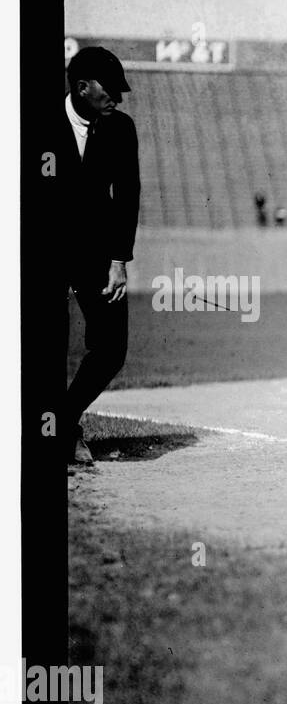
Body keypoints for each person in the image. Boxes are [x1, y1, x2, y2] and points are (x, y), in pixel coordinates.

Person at [57, 46, 140, 467]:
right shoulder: (31, 121)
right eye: (110, 90)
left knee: (111, 349)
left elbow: (127, 197)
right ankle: (54, 435)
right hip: (43, 250)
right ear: (81, 86)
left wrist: (118, 259)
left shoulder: (120, 129)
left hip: (97, 254)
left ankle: (64, 422)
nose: (118, 99)